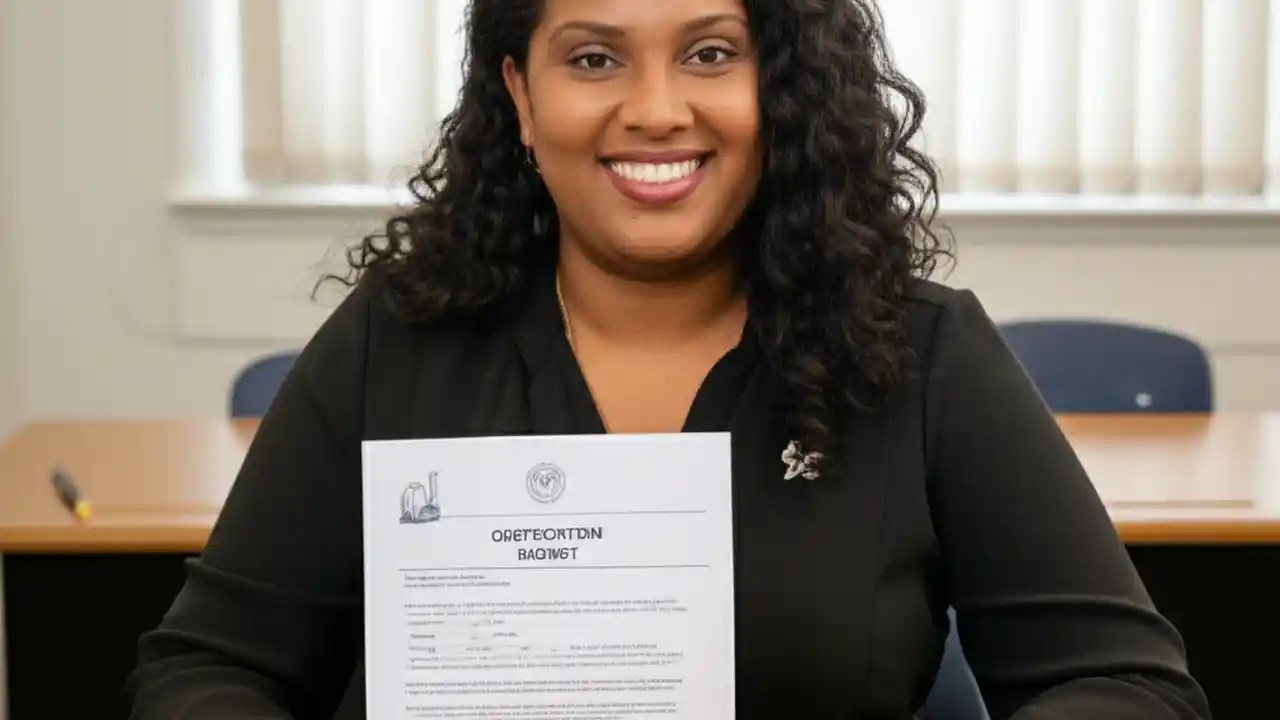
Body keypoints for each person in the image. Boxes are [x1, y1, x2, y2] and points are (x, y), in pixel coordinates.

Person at [127, 0, 1211, 718]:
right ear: (519, 95)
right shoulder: (393, 345)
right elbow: (205, 670)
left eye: (708, 53)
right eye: (593, 58)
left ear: (775, 89)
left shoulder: (919, 355)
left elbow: (1127, 684)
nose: (653, 110)